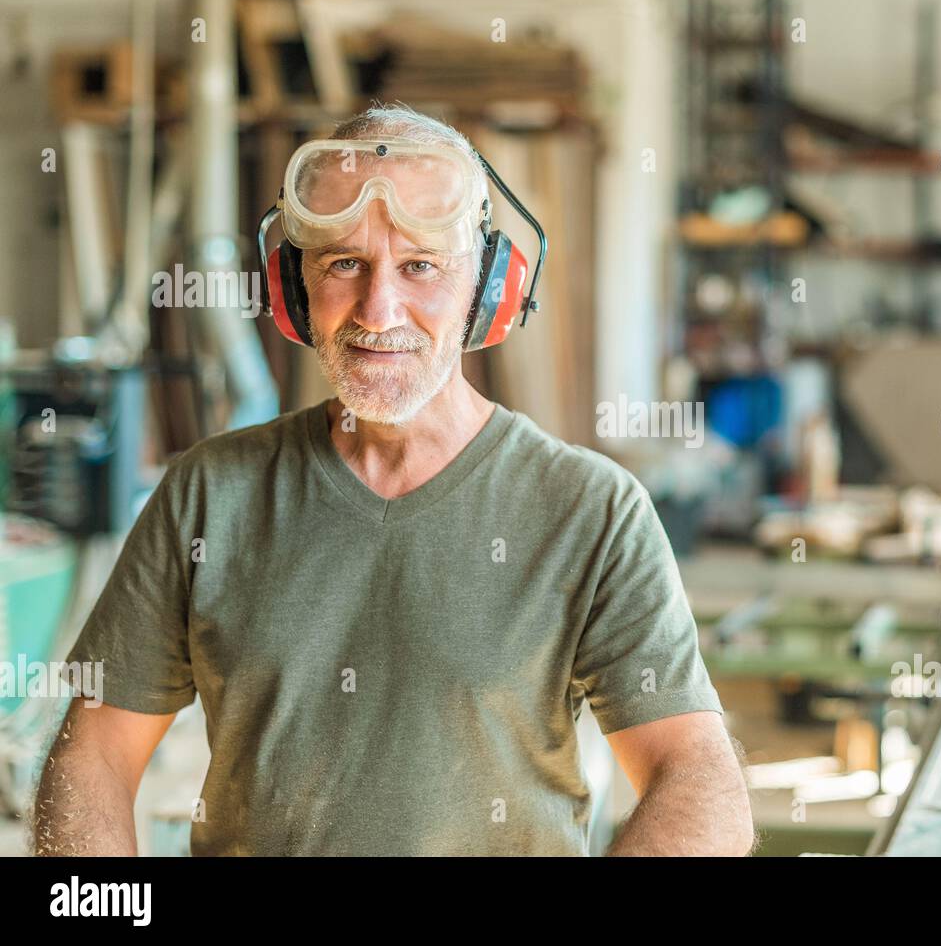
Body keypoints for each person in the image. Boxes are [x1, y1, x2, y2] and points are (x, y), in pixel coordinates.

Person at [32, 105, 753, 856]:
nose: (379, 309)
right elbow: (94, 755)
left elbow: (695, 775)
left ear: (488, 289)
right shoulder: (209, 494)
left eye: (420, 266)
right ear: (294, 287)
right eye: (345, 262)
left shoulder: (590, 510)